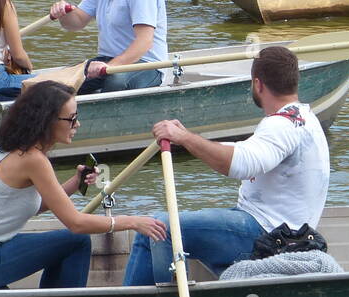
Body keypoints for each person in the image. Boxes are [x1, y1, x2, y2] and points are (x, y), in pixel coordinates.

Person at [123, 46, 329, 284]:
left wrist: (186, 139)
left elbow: (243, 163)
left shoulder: (281, 125)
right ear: (294, 82)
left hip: (266, 236)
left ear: (258, 84)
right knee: (153, 231)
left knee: (159, 227)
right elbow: (249, 149)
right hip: (280, 231)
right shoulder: (304, 118)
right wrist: (185, 135)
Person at [0, 81, 167, 290]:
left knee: (68, 240)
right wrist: (133, 221)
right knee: (75, 241)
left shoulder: (9, 149)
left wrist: (74, 184)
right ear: (46, 121)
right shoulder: (33, 159)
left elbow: (25, 207)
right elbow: (76, 224)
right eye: (72, 118)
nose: (77, 124)